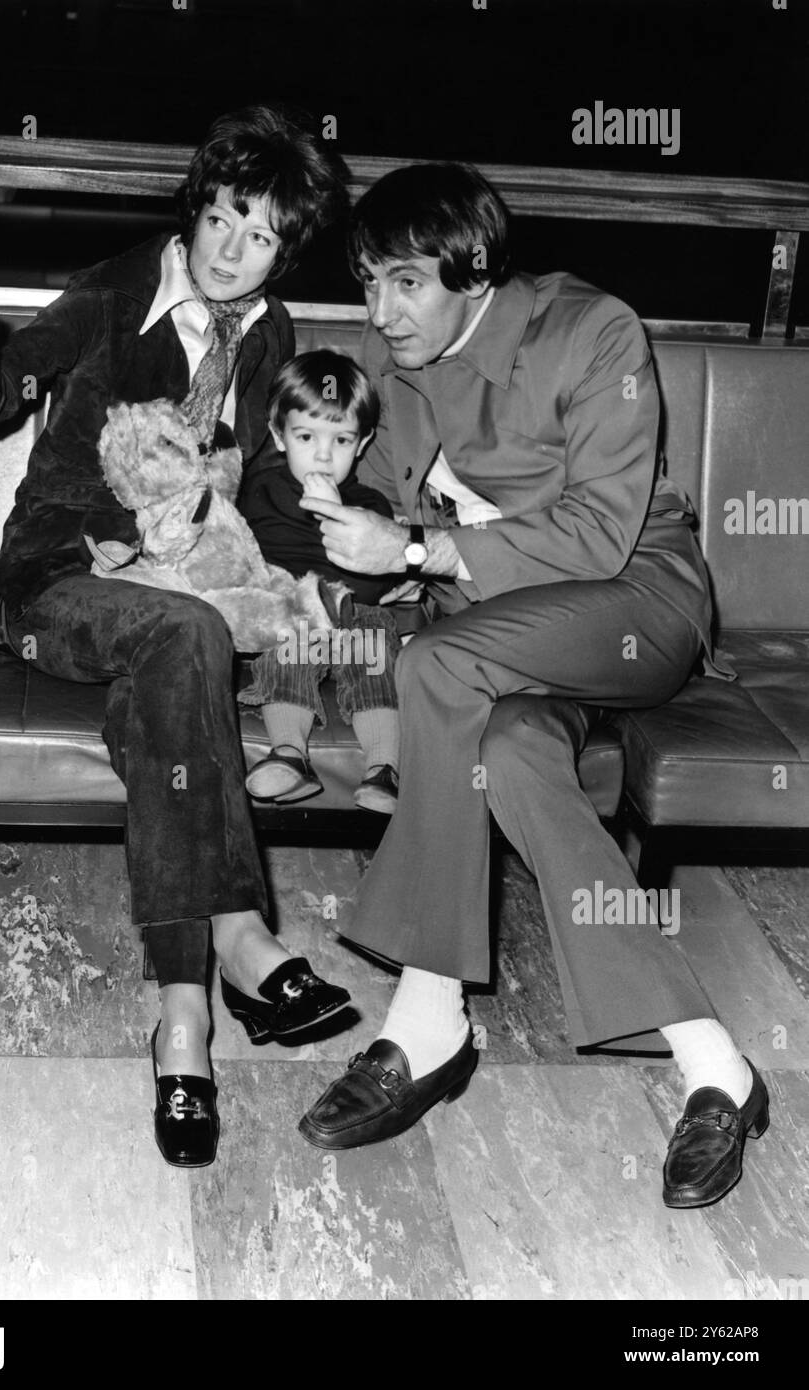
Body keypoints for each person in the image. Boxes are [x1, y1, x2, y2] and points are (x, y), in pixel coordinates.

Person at [296, 162, 769, 1210]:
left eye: (405, 283)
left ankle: (424, 1020)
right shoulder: (390, 353)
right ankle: (713, 1065)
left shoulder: (592, 331)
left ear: (471, 271)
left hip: (634, 604)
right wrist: (310, 493)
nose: (380, 312)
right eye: (368, 283)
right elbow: (366, 481)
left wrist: (419, 550)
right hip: (504, 632)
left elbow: (602, 532)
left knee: (438, 663)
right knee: (502, 749)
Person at [0, 105, 353, 1170]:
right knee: (182, 630)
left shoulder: (272, 334)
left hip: (178, 600)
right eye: (223, 217)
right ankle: (236, 945)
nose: (231, 250)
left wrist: (332, 551)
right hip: (57, 578)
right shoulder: (118, 291)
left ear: (283, 252)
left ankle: (180, 1025)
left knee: (183, 646)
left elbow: (262, 488)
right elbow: (8, 387)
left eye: (260, 237)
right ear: (196, 205)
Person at [238, 349, 404, 813]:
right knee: (283, 642)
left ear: (364, 442)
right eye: (307, 436)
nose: (324, 455)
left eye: (343, 440)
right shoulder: (259, 490)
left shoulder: (370, 506)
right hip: (292, 616)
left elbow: (373, 584)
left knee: (376, 646)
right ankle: (288, 754)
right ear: (279, 435)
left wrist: (339, 512)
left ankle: (383, 770)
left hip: (353, 618)